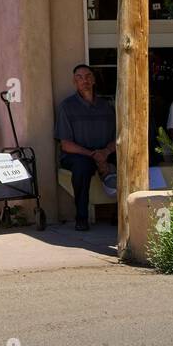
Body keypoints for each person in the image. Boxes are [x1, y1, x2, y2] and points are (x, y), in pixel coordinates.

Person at [54, 64, 116, 230]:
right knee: (81, 168)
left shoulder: (107, 106)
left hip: (105, 151)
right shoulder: (67, 106)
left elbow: (118, 137)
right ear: (74, 81)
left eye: (88, 76)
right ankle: (81, 217)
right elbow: (65, 144)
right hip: (78, 154)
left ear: (94, 79)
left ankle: (121, 212)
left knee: (128, 160)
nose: (85, 81)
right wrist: (92, 154)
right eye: (80, 77)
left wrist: (106, 152)